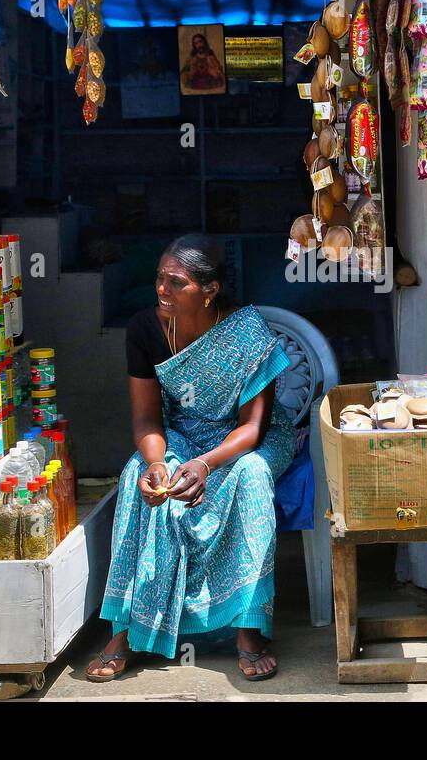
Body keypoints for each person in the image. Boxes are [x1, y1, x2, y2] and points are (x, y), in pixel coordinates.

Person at [87, 235, 293, 682]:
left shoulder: (248, 334)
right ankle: (127, 629)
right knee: (134, 476)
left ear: (210, 290)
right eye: (159, 278)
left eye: (176, 282)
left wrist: (205, 464)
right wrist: (158, 463)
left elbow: (253, 428)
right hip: (181, 433)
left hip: (245, 441)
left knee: (252, 476)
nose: (162, 289)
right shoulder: (145, 329)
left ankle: (248, 629)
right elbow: (146, 419)